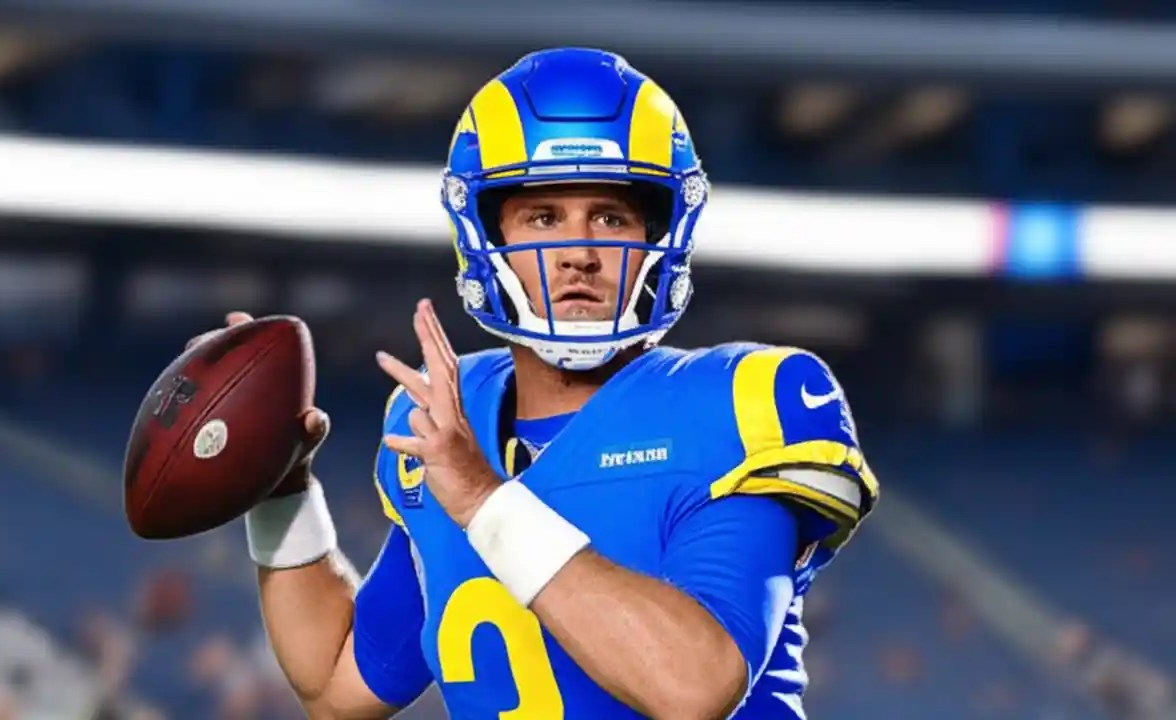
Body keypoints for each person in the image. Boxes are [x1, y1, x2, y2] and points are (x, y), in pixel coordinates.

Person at [231, 47, 878, 719]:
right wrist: (279, 489)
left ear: (660, 234)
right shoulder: (450, 414)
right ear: (486, 236)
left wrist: (482, 498)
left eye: (611, 217)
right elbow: (337, 686)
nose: (579, 252)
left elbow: (694, 688)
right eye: (543, 218)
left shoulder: (740, 404)